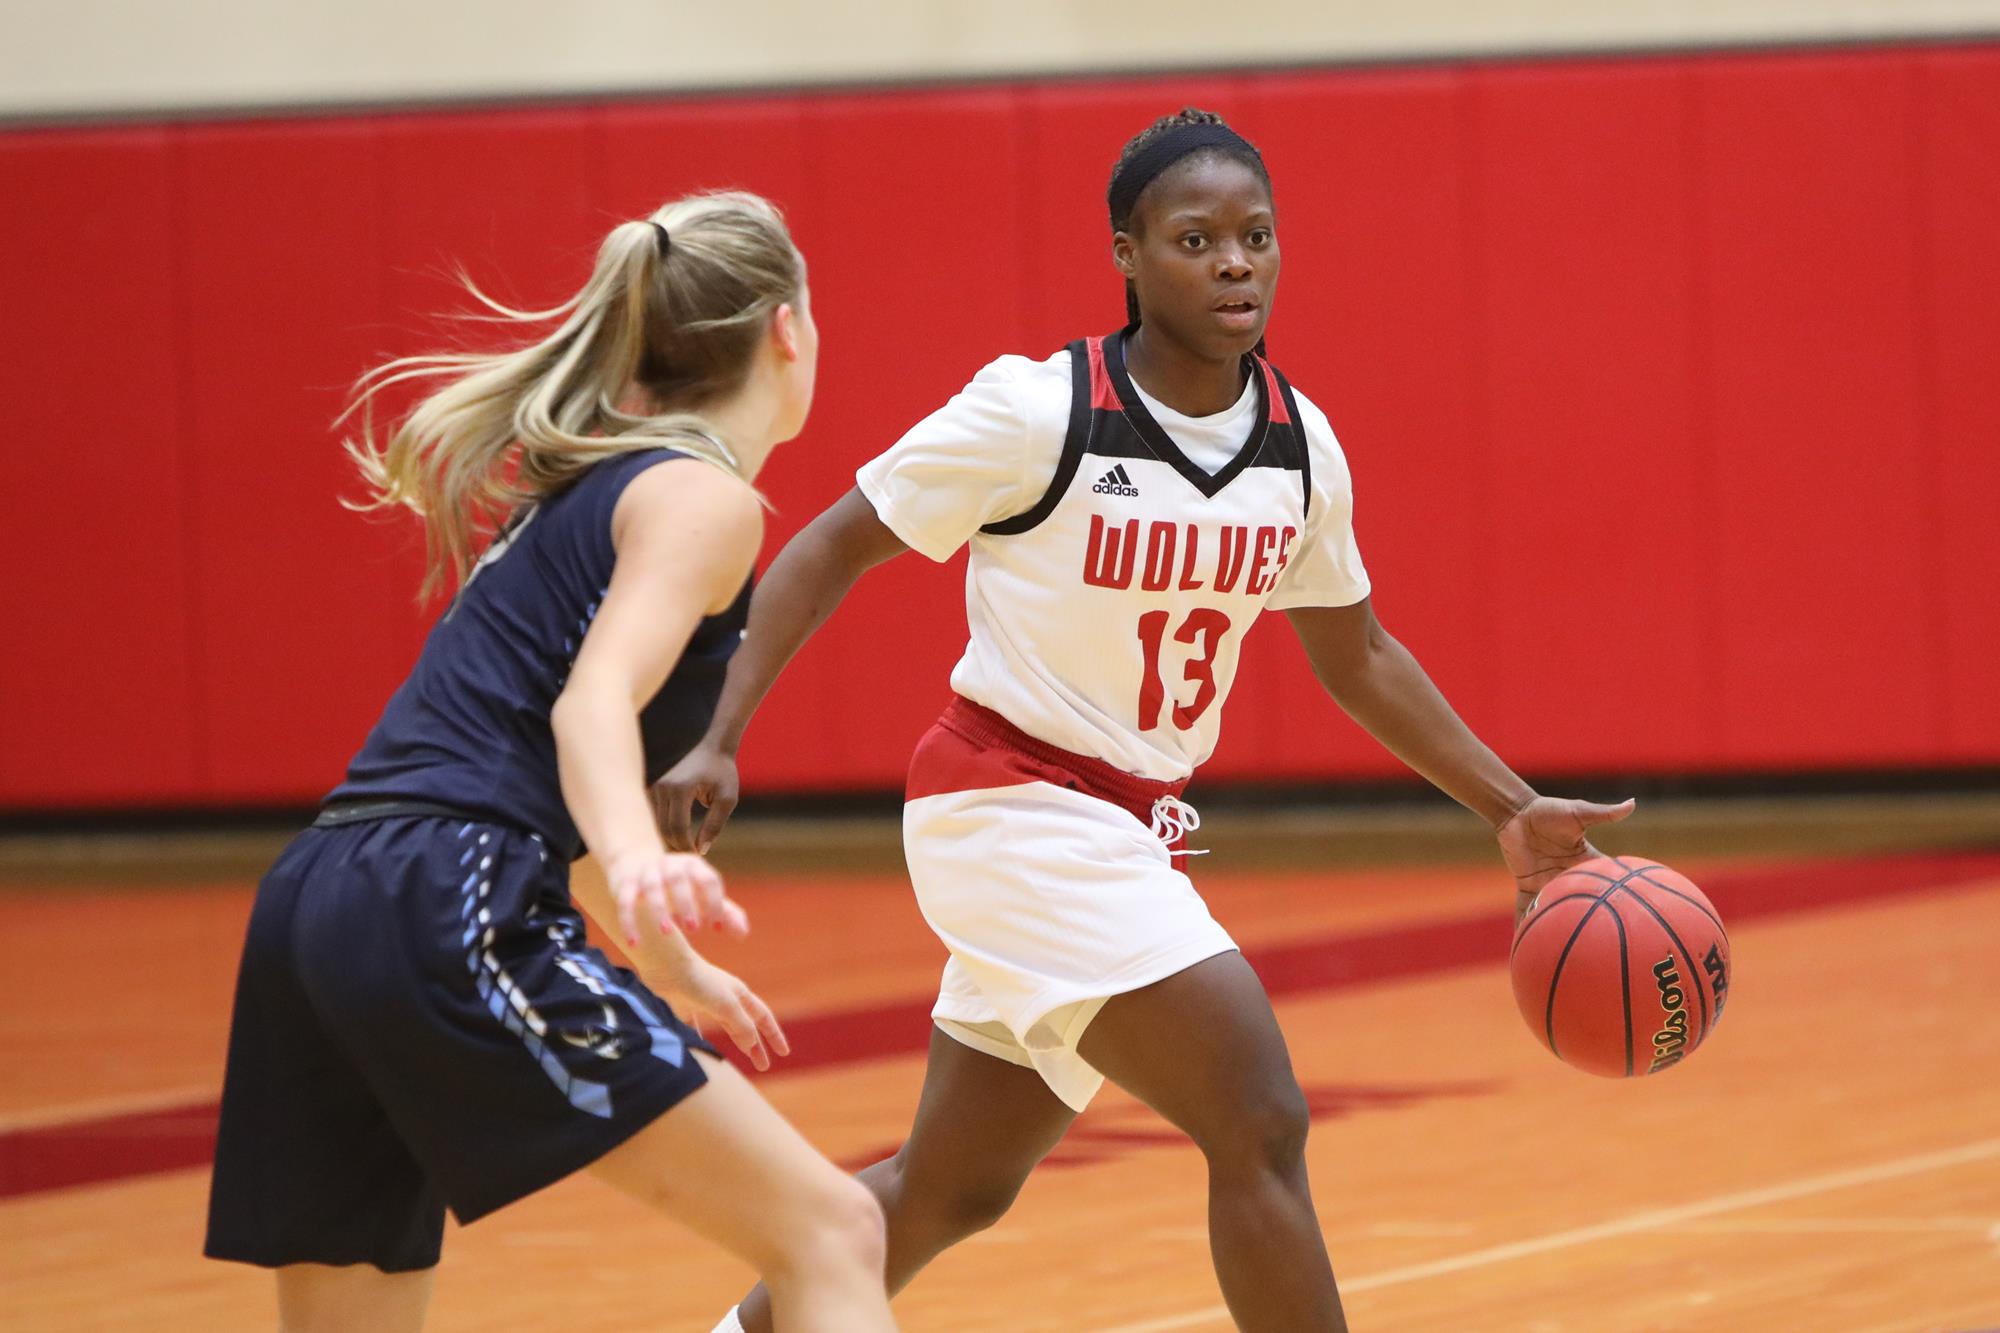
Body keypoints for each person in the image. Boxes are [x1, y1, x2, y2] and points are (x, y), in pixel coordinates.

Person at [661, 112, 1634, 1333]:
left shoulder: (1295, 444)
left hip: (1125, 829)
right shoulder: (1038, 410)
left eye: (1256, 237)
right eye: (1195, 239)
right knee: (1260, 1115)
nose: (1235, 262)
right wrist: (717, 730)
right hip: (1009, 805)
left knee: (953, 1187)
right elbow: (824, 550)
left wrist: (1512, 806)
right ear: (1127, 254)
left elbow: (1361, 653)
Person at [202, 191, 898, 1333]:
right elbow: (587, 713)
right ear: (788, 329)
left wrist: (664, 958)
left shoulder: (589, 487)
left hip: (319, 896)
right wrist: (636, 863)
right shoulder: (704, 495)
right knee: (833, 1229)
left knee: (353, 1318)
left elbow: (503, 762)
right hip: (444, 890)